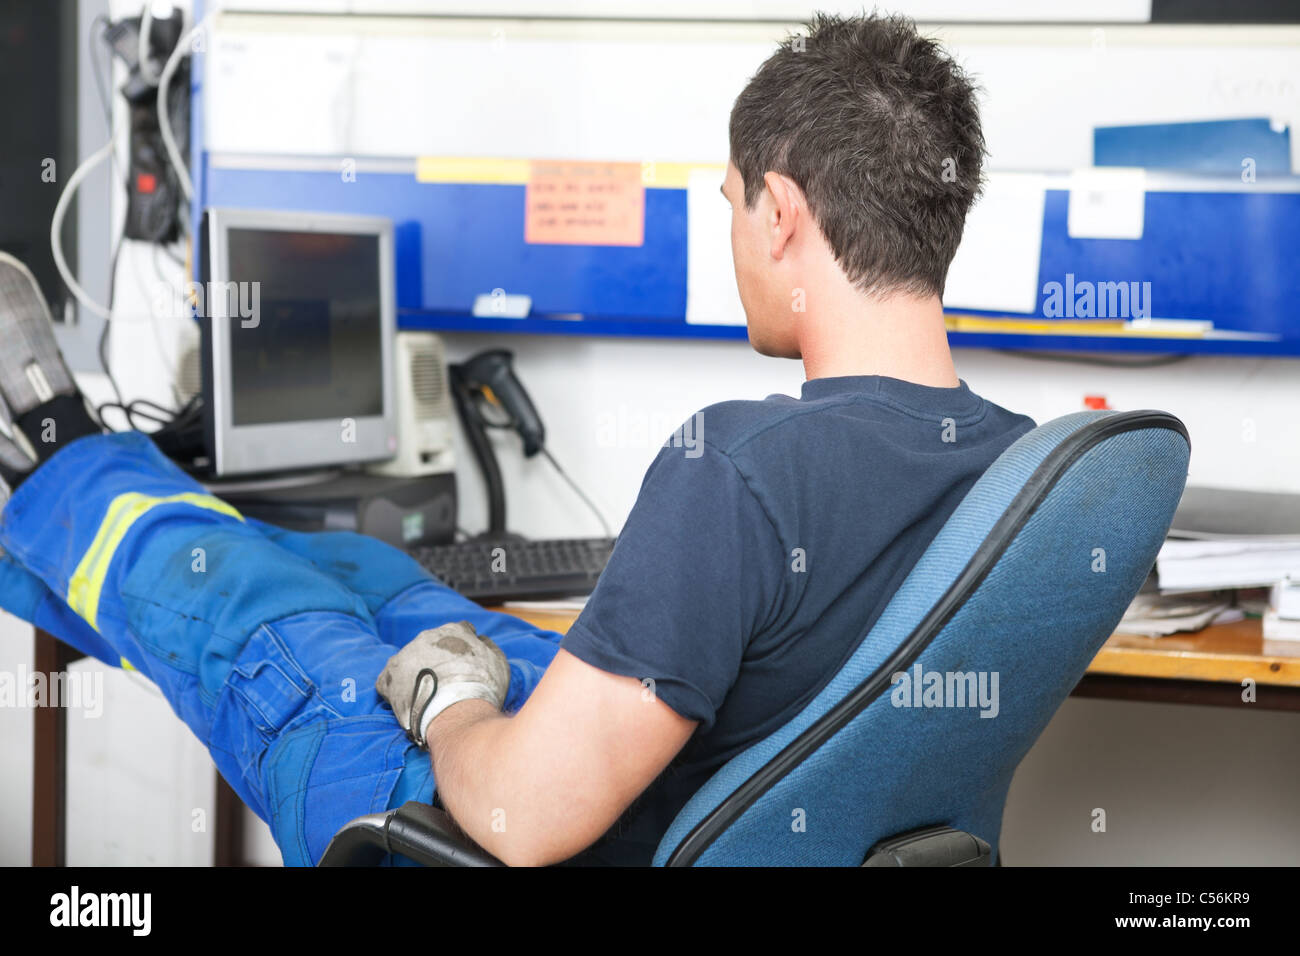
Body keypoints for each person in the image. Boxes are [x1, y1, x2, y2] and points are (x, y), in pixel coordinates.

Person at [0, 12, 1035, 867]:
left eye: (730, 204)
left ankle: (51, 447)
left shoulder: (737, 469)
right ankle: (45, 503)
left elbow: (519, 818)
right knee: (363, 566)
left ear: (780, 215)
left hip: (512, 828)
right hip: (693, 784)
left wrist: (451, 703)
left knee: (245, 596)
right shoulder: (1008, 466)